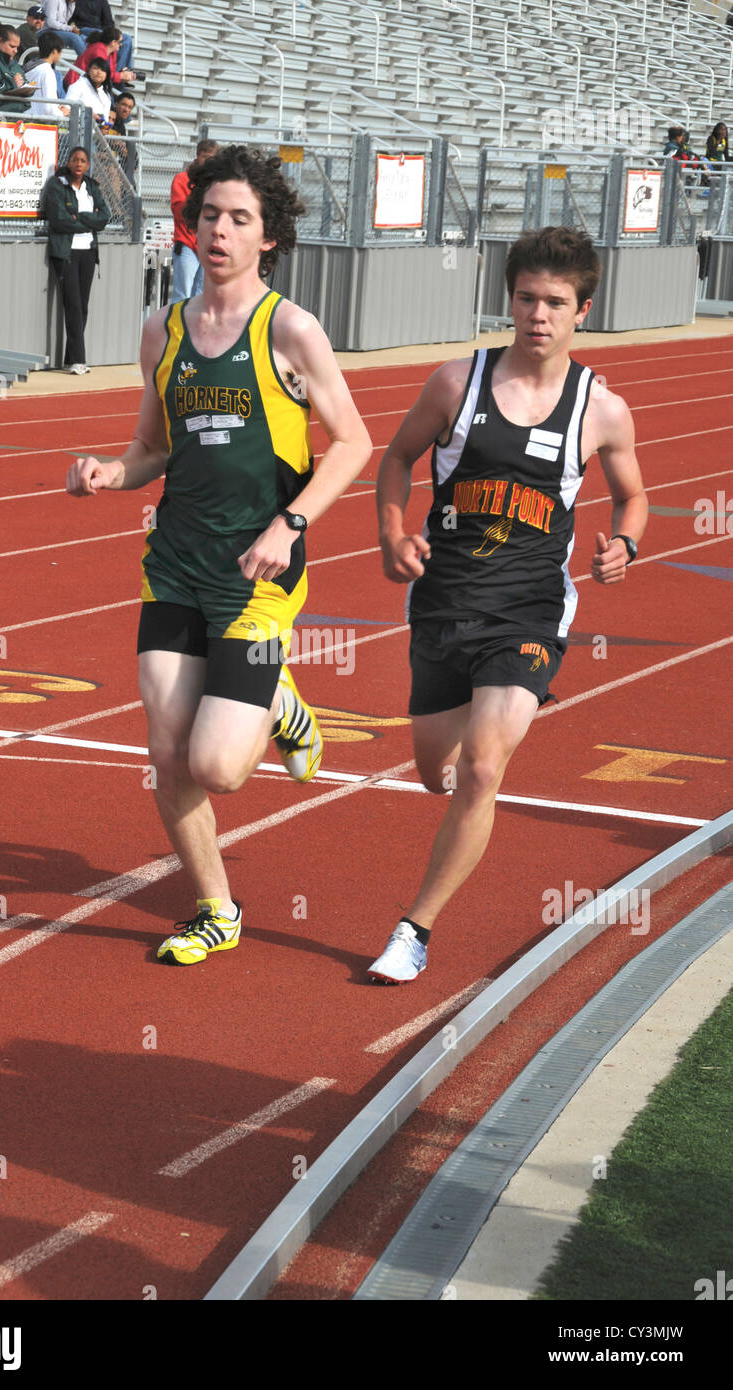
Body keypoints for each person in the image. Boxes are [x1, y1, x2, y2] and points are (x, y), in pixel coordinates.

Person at [65, 144, 372, 966]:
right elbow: (150, 447)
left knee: (220, 768)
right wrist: (108, 472)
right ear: (190, 226)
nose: (221, 231)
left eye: (240, 219)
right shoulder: (162, 329)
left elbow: (351, 443)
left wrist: (291, 525)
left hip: (256, 576)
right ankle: (215, 910)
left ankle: (281, 703)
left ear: (268, 237)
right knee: (167, 757)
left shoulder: (291, 330)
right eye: (209, 216)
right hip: (173, 562)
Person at [367, 225, 648, 984]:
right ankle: (449, 765)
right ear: (510, 299)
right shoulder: (454, 384)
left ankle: (413, 929)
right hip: (441, 606)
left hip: (528, 613)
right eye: (526, 298)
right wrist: (393, 533)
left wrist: (624, 544)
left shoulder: (600, 409)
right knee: (437, 770)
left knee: (483, 770)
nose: (538, 315)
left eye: (555, 302)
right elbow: (394, 459)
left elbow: (633, 497)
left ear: (581, 310)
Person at [42, 146, 109, 374]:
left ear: (88, 165)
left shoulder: (92, 186)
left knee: (82, 306)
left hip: (88, 252)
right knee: (73, 305)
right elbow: (59, 220)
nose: (79, 164)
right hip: (66, 253)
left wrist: (80, 217)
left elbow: (105, 216)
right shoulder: (56, 185)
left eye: (83, 160)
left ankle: (71, 359)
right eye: (75, 160)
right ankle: (79, 360)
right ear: (68, 162)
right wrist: (89, 221)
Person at [170, 139, 218, 303]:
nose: (208, 161)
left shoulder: (214, 183)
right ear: (198, 157)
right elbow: (180, 211)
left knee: (201, 297)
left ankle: (194, 329)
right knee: (182, 295)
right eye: (206, 157)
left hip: (206, 245)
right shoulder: (182, 179)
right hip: (186, 244)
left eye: (212, 158)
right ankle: (176, 328)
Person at [63, 26, 135, 93]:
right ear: (113, 42)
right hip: (74, 84)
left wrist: (122, 74)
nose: (121, 44)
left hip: (87, 84)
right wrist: (120, 76)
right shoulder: (98, 50)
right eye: (120, 42)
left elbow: (109, 72)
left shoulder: (112, 52)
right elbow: (101, 73)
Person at [70, 0, 133, 71]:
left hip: (101, 32)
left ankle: (119, 73)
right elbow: (70, 19)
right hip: (82, 30)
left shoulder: (102, 1)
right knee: (100, 41)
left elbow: (109, 22)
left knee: (127, 39)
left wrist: (110, 34)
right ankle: (111, 76)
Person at [27, 31, 68, 119]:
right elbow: (49, 109)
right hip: (38, 122)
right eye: (60, 51)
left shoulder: (30, 67)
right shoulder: (47, 71)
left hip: (27, 116)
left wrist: (56, 107)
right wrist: (63, 113)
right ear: (54, 51)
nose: (61, 55)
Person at [66, 56, 112, 123]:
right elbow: (66, 108)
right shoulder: (78, 85)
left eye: (103, 70)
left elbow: (105, 119)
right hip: (77, 130)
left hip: (96, 132)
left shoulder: (106, 95)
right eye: (95, 68)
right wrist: (90, 115)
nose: (99, 72)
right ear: (89, 70)